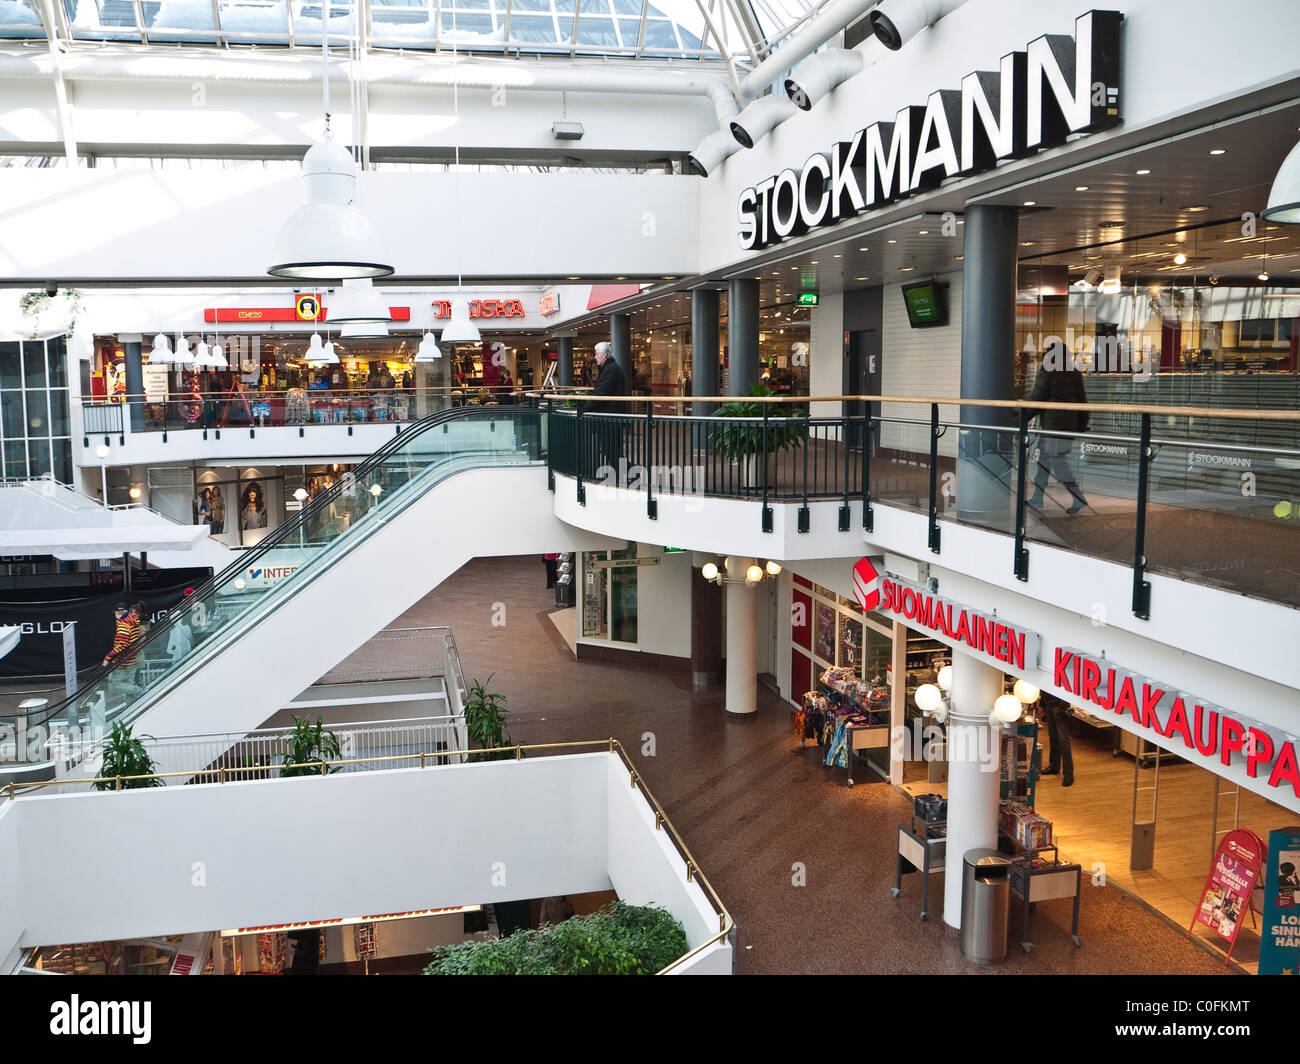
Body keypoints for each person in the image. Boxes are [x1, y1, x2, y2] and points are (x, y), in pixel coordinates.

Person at [1028, 347, 1090, 514]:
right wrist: (1080, 427)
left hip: (1052, 426)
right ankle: (1037, 497)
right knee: (1044, 462)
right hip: (1067, 427)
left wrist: (1020, 418)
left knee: (1057, 463)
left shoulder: (1048, 371)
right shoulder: (1074, 373)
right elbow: (1083, 402)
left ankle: (1077, 497)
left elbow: (1036, 398)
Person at [590, 340, 627, 470]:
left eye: (596, 354)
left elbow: (601, 393)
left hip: (610, 418)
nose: (595, 357)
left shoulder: (610, 370)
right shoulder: (611, 368)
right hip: (612, 417)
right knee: (612, 451)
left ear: (604, 355)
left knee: (612, 451)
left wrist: (584, 408)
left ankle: (632, 473)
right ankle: (626, 474)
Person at [1038, 691, 1075, 787]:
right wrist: (1042, 704)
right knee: (1053, 737)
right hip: (1049, 704)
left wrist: (1063, 708)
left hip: (1060, 706)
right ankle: (1054, 766)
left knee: (1063, 741)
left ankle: (1068, 774)